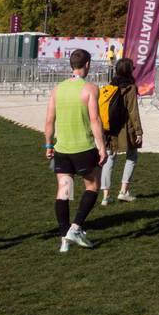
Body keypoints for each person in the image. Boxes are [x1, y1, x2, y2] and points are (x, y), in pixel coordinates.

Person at [43, 49, 107, 252]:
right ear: (87, 64)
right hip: (84, 147)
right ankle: (76, 227)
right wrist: (102, 146)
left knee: (64, 190)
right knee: (93, 185)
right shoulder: (90, 88)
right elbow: (95, 120)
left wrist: (48, 144)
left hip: (62, 147)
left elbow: (49, 120)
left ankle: (64, 237)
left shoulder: (57, 89)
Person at [100, 58, 144, 206]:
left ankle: (105, 195)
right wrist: (139, 131)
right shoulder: (130, 87)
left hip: (110, 128)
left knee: (110, 158)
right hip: (126, 128)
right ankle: (124, 191)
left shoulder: (110, 85)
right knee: (132, 156)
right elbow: (133, 111)